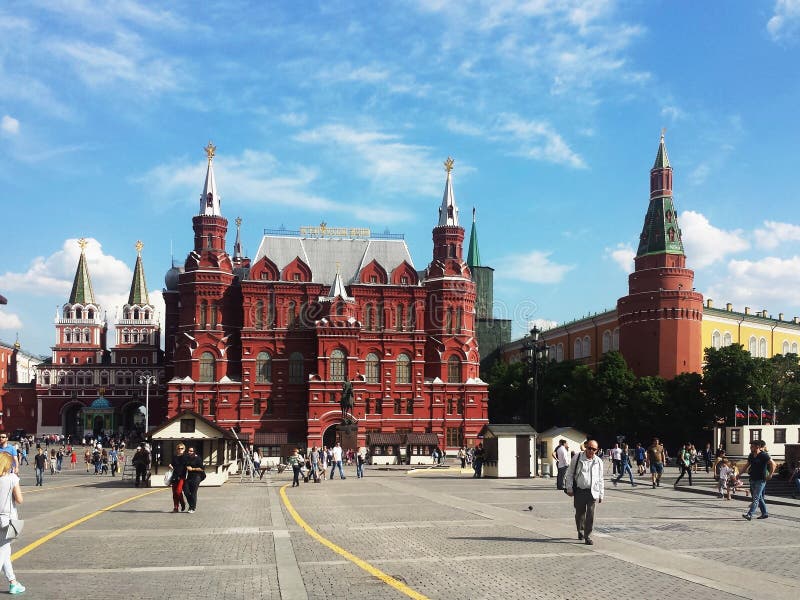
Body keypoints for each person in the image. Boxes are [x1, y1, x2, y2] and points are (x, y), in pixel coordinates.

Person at [564, 439, 604, 545]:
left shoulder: (598, 461)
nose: (591, 451)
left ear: (597, 450)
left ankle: (588, 536)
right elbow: (570, 473)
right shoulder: (577, 457)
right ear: (586, 447)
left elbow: (600, 479)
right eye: (589, 448)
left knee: (590, 514)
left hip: (592, 492)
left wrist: (601, 494)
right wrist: (569, 488)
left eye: (594, 449)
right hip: (580, 490)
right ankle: (580, 531)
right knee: (580, 514)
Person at [0, 453, 24, 595]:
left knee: (5, 551)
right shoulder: (12, 479)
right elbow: (20, 499)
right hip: (8, 520)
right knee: (3, 550)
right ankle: (13, 583)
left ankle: (13, 582)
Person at [742, 439, 776, 521]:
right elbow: (746, 466)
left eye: (752, 446)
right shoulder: (751, 455)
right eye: (750, 446)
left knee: (756, 498)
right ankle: (764, 513)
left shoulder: (763, 455)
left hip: (761, 480)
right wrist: (739, 474)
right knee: (759, 498)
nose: (750, 447)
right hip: (752, 479)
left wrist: (770, 474)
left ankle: (749, 514)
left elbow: (774, 464)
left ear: (757, 447)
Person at [168, 444, 188, 512]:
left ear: (184, 449)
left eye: (181, 448)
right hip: (174, 476)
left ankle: (182, 503)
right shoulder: (174, 457)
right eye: (178, 448)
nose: (180, 449)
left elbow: (189, 463)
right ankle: (175, 507)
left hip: (182, 476)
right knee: (174, 493)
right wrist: (170, 465)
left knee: (178, 491)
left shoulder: (186, 456)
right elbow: (171, 464)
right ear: (177, 449)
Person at [183, 447, 203, 513]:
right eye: (188, 451)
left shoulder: (198, 458)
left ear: (194, 452)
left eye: (191, 451)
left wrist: (193, 469)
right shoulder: (187, 458)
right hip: (188, 477)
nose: (189, 452)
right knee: (186, 491)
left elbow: (202, 469)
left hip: (196, 477)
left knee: (193, 493)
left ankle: (192, 508)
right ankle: (191, 505)